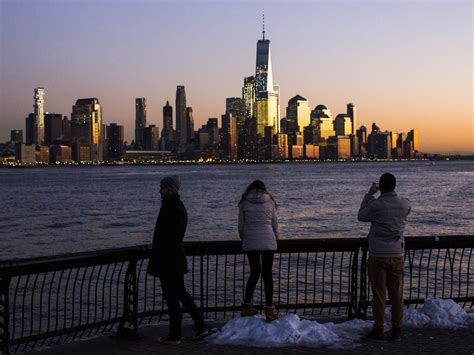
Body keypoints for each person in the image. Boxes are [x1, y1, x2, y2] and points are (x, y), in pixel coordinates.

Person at [147, 175, 207, 344]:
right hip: (173, 258)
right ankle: (199, 325)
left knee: (172, 296)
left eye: (163, 187)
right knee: (180, 294)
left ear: (170, 189)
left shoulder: (172, 207)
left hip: (168, 260)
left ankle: (175, 334)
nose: (160, 190)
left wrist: (161, 253)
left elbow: (170, 236)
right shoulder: (174, 206)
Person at [358, 173, 411, 342]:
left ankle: (378, 328)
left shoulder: (376, 205)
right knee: (397, 294)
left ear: (380, 187)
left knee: (379, 294)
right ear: (394, 186)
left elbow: (361, 216)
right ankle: (397, 328)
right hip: (397, 254)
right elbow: (407, 207)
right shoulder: (404, 204)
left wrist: (369, 194)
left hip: (378, 255)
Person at [238, 180, 279, 322]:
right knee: (267, 274)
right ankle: (269, 310)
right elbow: (274, 224)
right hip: (268, 240)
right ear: (263, 189)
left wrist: (245, 239)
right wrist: (275, 238)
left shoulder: (244, 202)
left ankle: (246, 306)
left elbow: (241, 226)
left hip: (251, 240)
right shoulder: (270, 201)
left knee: (254, 273)